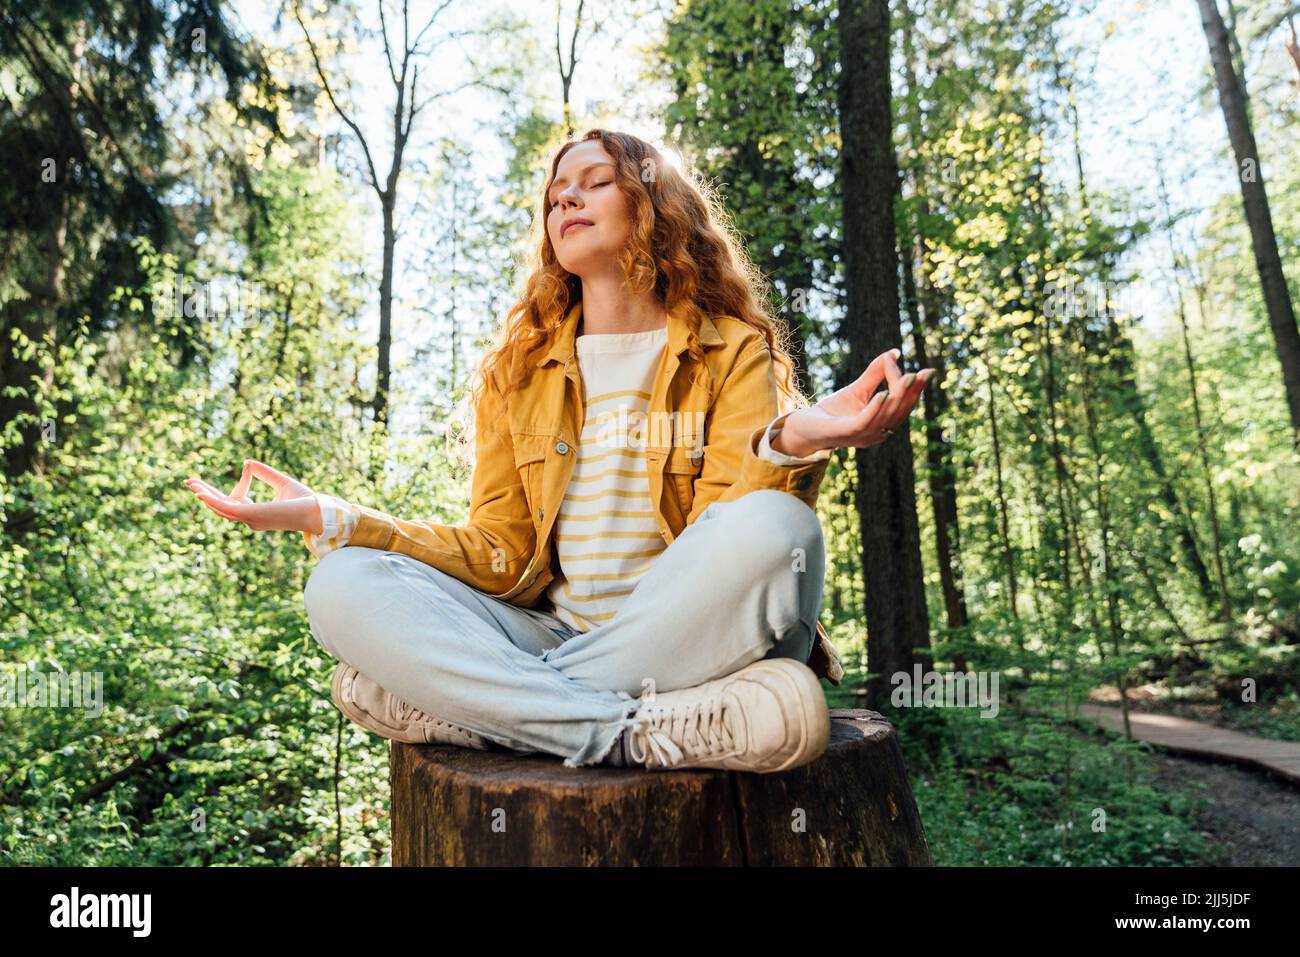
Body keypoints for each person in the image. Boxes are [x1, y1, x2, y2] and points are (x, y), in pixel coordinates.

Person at [185, 128, 932, 773]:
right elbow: (499, 553)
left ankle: (484, 708)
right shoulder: (520, 370)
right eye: (555, 194)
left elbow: (720, 537)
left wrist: (791, 440)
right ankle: (627, 732)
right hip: (551, 629)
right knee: (340, 583)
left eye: (594, 182)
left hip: (678, 634)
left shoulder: (727, 350)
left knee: (783, 531)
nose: (565, 200)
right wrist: (337, 516)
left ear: (654, 204)